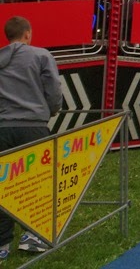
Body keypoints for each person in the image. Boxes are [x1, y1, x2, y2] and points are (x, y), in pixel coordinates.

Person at [0, 17, 63, 260]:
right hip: (33, 127)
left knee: (3, 184)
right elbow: (54, 91)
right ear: (27, 34)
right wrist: (49, 111)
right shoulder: (41, 55)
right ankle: (33, 236)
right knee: (36, 180)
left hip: (3, 127)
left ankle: (2, 244)